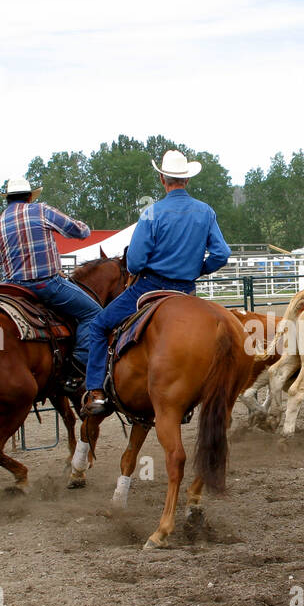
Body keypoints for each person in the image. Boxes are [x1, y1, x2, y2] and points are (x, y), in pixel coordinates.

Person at [83, 150, 232, 414]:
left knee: (98, 326)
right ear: (186, 180)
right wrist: (199, 269)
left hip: (149, 287)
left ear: (163, 179)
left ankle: (96, 392)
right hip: (186, 291)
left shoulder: (152, 213)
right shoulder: (205, 212)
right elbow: (222, 253)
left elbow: (136, 261)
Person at [0, 176, 98, 391]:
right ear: (29, 197)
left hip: (12, 290)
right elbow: (79, 231)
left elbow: (2, 259)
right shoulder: (40, 211)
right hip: (46, 284)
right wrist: (85, 227)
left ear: (7, 199)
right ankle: (77, 367)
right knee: (93, 313)